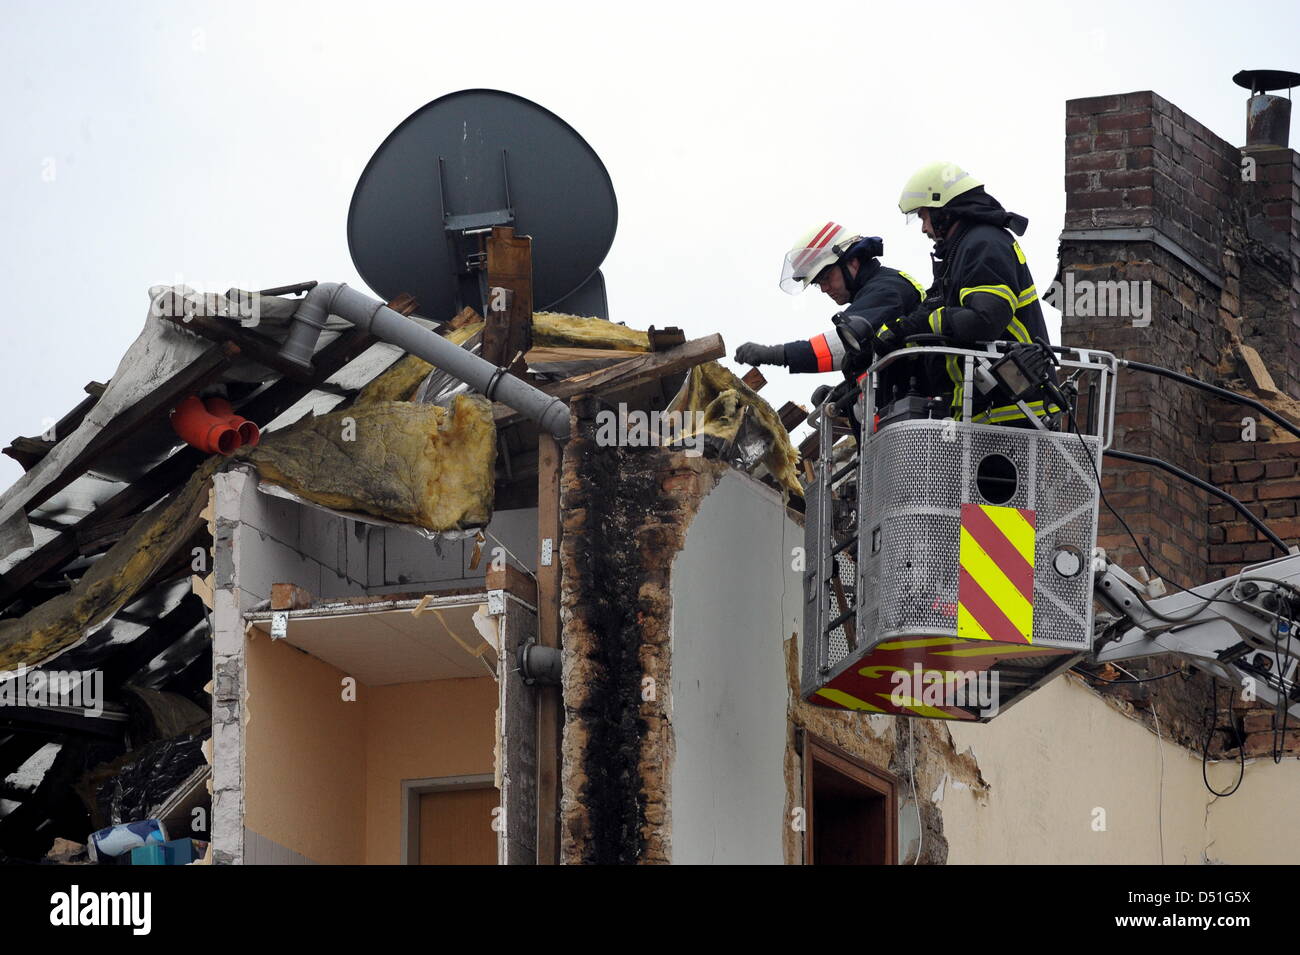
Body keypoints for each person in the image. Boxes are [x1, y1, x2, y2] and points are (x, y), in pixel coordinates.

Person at [868, 162, 1057, 427]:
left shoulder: (984, 243)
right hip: (988, 409)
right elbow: (931, 310)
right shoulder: (960, 252)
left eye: (924, 216)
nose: (924, 228)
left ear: (944, 211)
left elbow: (985, 319)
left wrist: (931, 322)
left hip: (1014, 411)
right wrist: (897, 333)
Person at [734, 223, 925, 394]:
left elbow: (843, 344)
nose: (824, 289)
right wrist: (844, 392)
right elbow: (874, 355)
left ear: (853, 260)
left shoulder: (885, 290)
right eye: (818, 283)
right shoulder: (877, 291)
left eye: (825, 277)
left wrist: (775, 354)